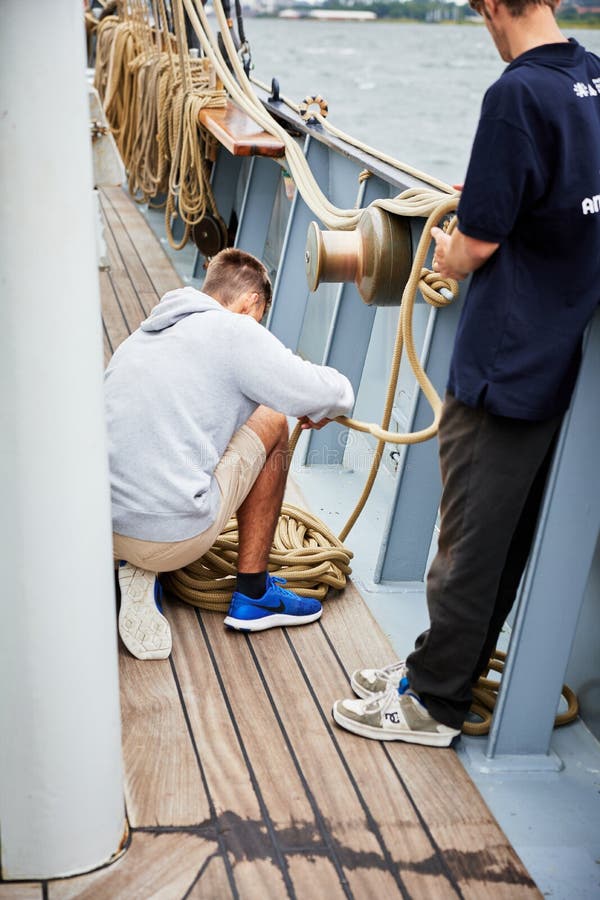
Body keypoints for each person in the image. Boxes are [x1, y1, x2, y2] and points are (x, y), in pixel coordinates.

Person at [332, 0, 600, 747]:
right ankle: (439, 669)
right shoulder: (592, 77)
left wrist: (447, 251)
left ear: (488, 7)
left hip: (503, 359)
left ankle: (434, 705)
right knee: (502, 541)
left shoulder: (515, 94)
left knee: (467, 544)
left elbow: (474, 245)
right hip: (555, 352)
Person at [105, 248, 354, 660]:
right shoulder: (236, 331)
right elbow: (318, 391)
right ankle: (254, 594)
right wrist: (341, 398)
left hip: (99, 526)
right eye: (260, 317)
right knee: (273, 419)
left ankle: (130, 562)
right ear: (252, 304)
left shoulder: (145, 334)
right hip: (170, 537)